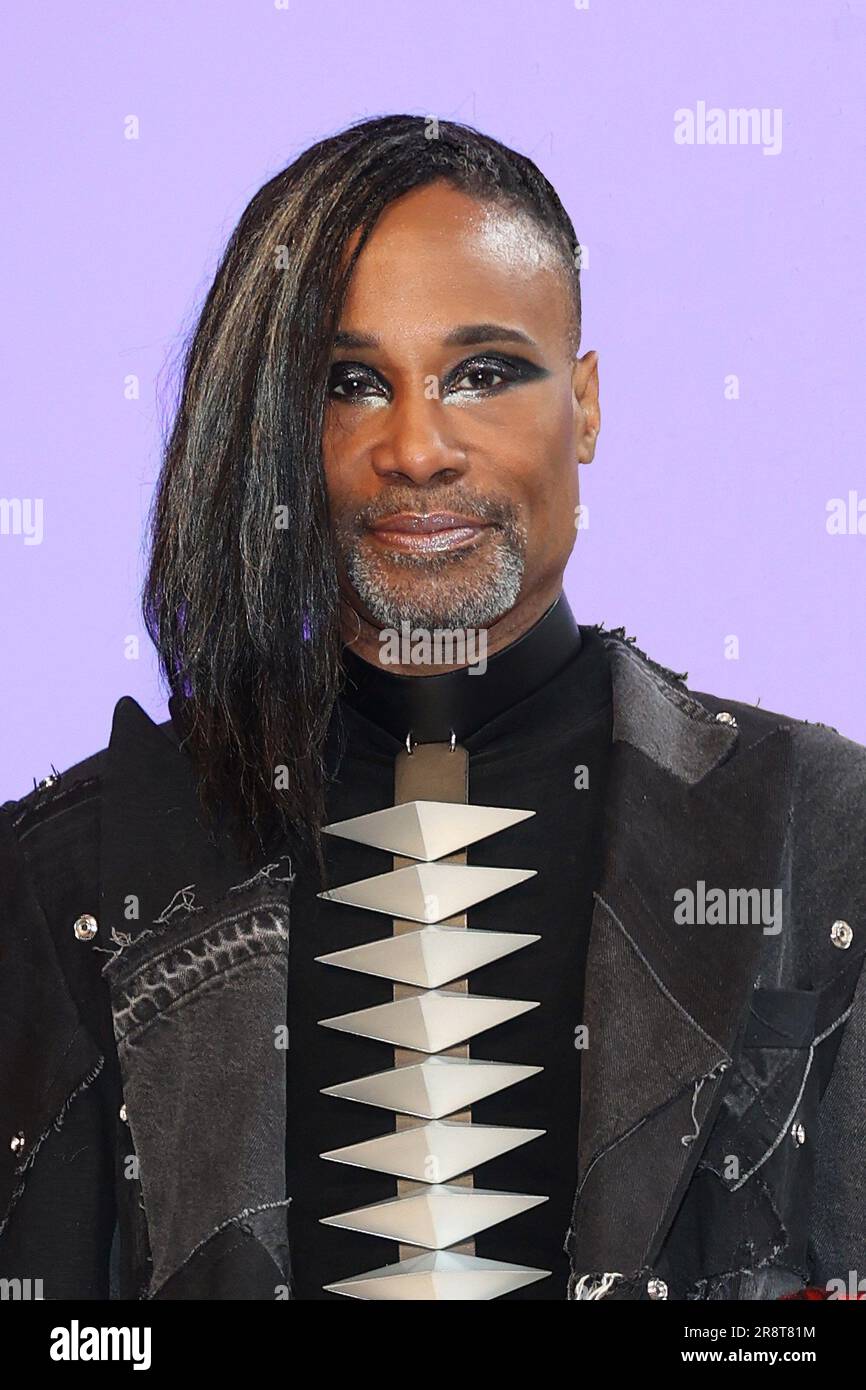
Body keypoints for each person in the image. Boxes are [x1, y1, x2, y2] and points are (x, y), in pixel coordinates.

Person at [1, 114, 864, 1302]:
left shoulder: (822, 833)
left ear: (588, 404)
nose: (416, 447)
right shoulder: (68, 878)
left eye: (484, 372)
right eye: (351, 382)